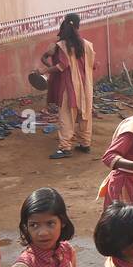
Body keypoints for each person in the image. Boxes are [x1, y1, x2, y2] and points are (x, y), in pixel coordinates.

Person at [40, 13, 96, 160]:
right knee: (85, 115)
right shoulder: (87, 45)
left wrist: (45, 70)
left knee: (66, 116)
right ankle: (85, 143)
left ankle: (65, 147)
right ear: (78, 26)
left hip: (69, 87)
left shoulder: (62, 45)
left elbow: (61, 66)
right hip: (86, 87)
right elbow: (94, 65)